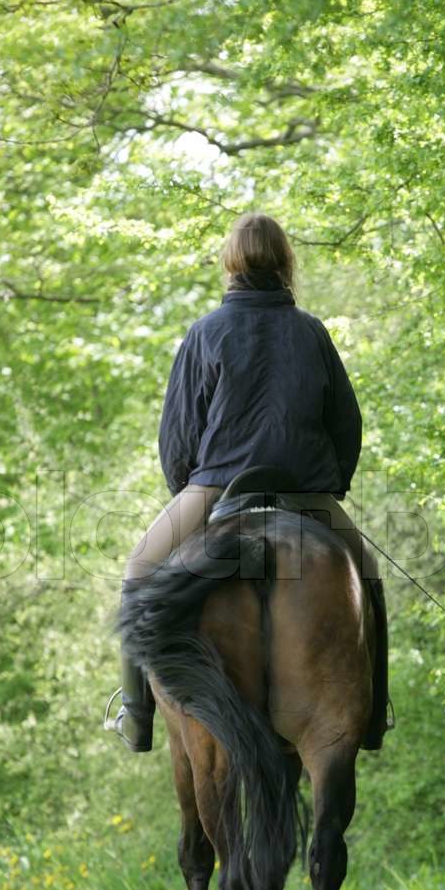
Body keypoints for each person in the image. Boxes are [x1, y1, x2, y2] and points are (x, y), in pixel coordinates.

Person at [104, 211, 390, 753]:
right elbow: (346, 424)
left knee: (138, 570)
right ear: (286, 261)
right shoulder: (311, 332)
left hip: (216, 490)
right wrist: (332, 486)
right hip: (306, 495)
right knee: (368, 579)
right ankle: (372, 713)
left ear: (231, 263)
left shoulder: (205, 333)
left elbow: (179, 434)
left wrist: (189, 490)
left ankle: (138, 716)